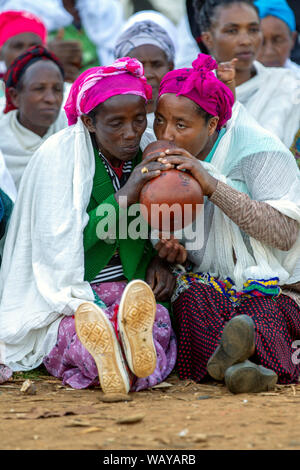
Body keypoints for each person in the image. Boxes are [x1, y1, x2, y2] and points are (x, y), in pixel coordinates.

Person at [0, 57, 177, 393]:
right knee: (75, 329)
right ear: (89, 122)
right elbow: (62, 248)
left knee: (157, 320)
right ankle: (115, 356)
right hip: (69, 291)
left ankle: (120, 357)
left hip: (130, 287)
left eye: (139, 120)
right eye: (116, 124)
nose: (130, 133)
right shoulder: (59, 158)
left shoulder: (148, 151)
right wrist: (125, 195)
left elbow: (169, 224)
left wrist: (162, 257)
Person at [152, 53, 300, 394]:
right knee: (191, 296)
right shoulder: (166, 160)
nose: (166, 134)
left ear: (213, 124)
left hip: (283, 286)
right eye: (160, 121)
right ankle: (241, 367)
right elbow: (203, 251)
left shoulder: (260, 153)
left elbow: (285, 234)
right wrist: (174, 254)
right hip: (223, 286)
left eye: (181, 125)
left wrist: (214, 186)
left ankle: (239, 362)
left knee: (261, 308)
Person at [193, 0, 300, 148]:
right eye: (232, 31)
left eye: (253, 30)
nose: (246, 40)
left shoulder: (289, 86)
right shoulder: (190, 91)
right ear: (208, 39)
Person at [0, 45, 67, 190]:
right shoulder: (2, 142)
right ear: (15, 96)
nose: (50, 98)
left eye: (57, 89)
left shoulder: (73, 133)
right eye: (39, 89)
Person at [114, 17, 175, 135]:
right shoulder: (112, 116)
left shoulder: (186, 113)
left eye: (156, 65)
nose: (147, 75)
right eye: (138, 66)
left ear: (170, 67)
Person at [254, 0, 300, 77]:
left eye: (278, 40)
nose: (269, 52)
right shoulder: (232, 83)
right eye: (261, 42)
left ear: (293, 39)